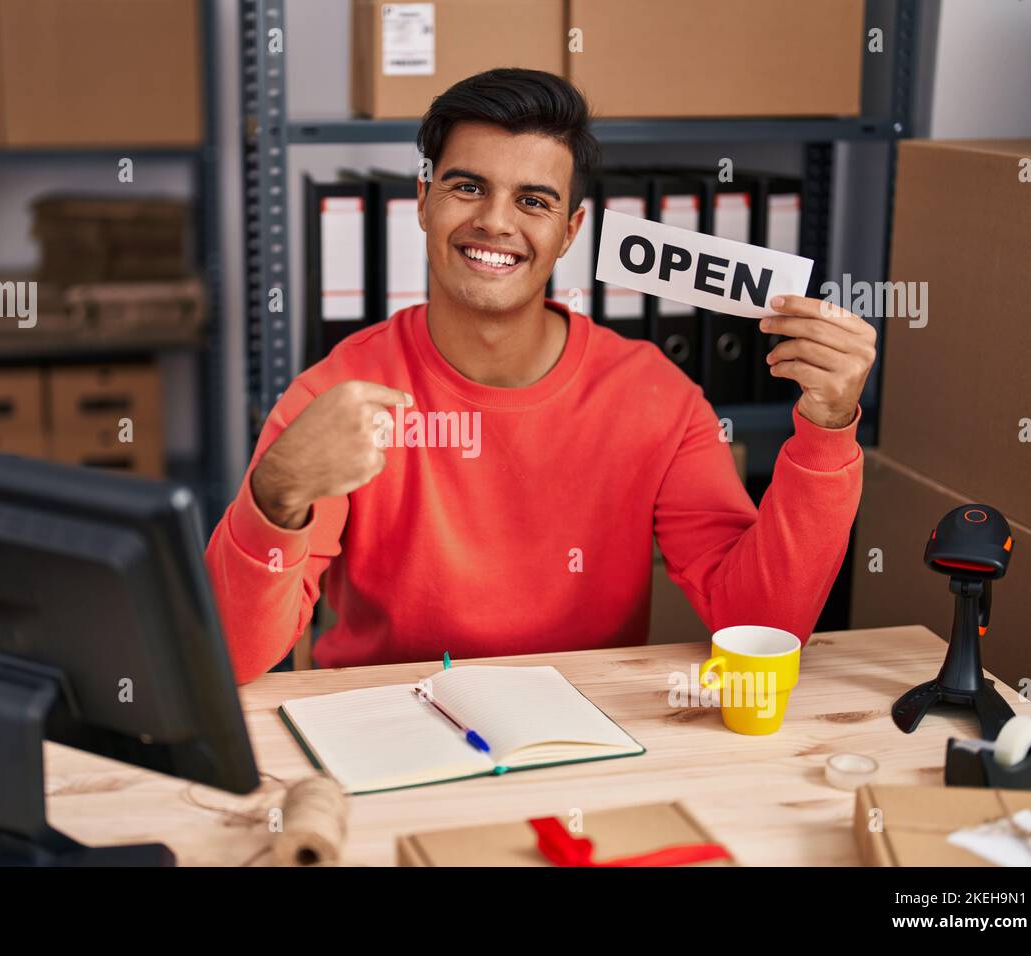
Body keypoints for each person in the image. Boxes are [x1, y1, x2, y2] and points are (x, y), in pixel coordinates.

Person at [206, 68, 874, 684]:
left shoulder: (655, 397)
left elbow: (762, 624)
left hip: (583, 739)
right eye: (467, 186)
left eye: (533, 200)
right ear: (422, 201)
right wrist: (276, 493)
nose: (495, 221)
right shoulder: (335, 394)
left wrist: (825, 430)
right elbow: (235, 659)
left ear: (570, 230)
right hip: (386, 737)